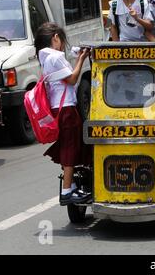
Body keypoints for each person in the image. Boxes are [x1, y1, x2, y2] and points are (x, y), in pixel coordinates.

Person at [34, 22, 91, 205]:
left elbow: (66, 78)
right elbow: (73, 79)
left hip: (58, 108)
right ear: (55, 38)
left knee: (68, 146)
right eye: (61, 40)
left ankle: (72, 185)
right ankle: (67, 191)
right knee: (70, 148)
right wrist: (81, 59)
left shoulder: (45, 58)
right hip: (66, 108)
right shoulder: (54, 58)